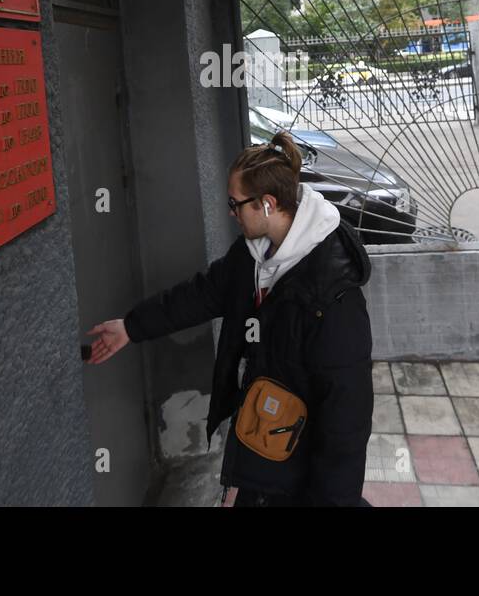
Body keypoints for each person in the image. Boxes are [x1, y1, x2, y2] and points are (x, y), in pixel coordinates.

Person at [85, 130, 374, 507]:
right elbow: (201, 294)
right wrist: (131, 327)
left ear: (268, 204)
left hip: (299, 474)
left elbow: (346, 424)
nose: (231, 212)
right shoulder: (253, 255)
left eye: (236, 204)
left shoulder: (333, 296)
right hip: (263, 443)